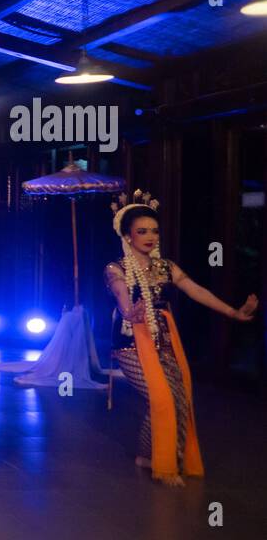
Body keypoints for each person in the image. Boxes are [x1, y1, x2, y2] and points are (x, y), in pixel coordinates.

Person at [106, 190, 257, 486]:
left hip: (164, 338)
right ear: (127, 236)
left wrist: (233, 312)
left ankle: (150, 456)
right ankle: (162, 464)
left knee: (179, 399)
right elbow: (122, 297)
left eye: (154, 231)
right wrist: (131, 312)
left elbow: (196, 290)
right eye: (142, 231)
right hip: (131, 341)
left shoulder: (165, 266)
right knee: (161, 398)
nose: (150, 236)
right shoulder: (117, 268)